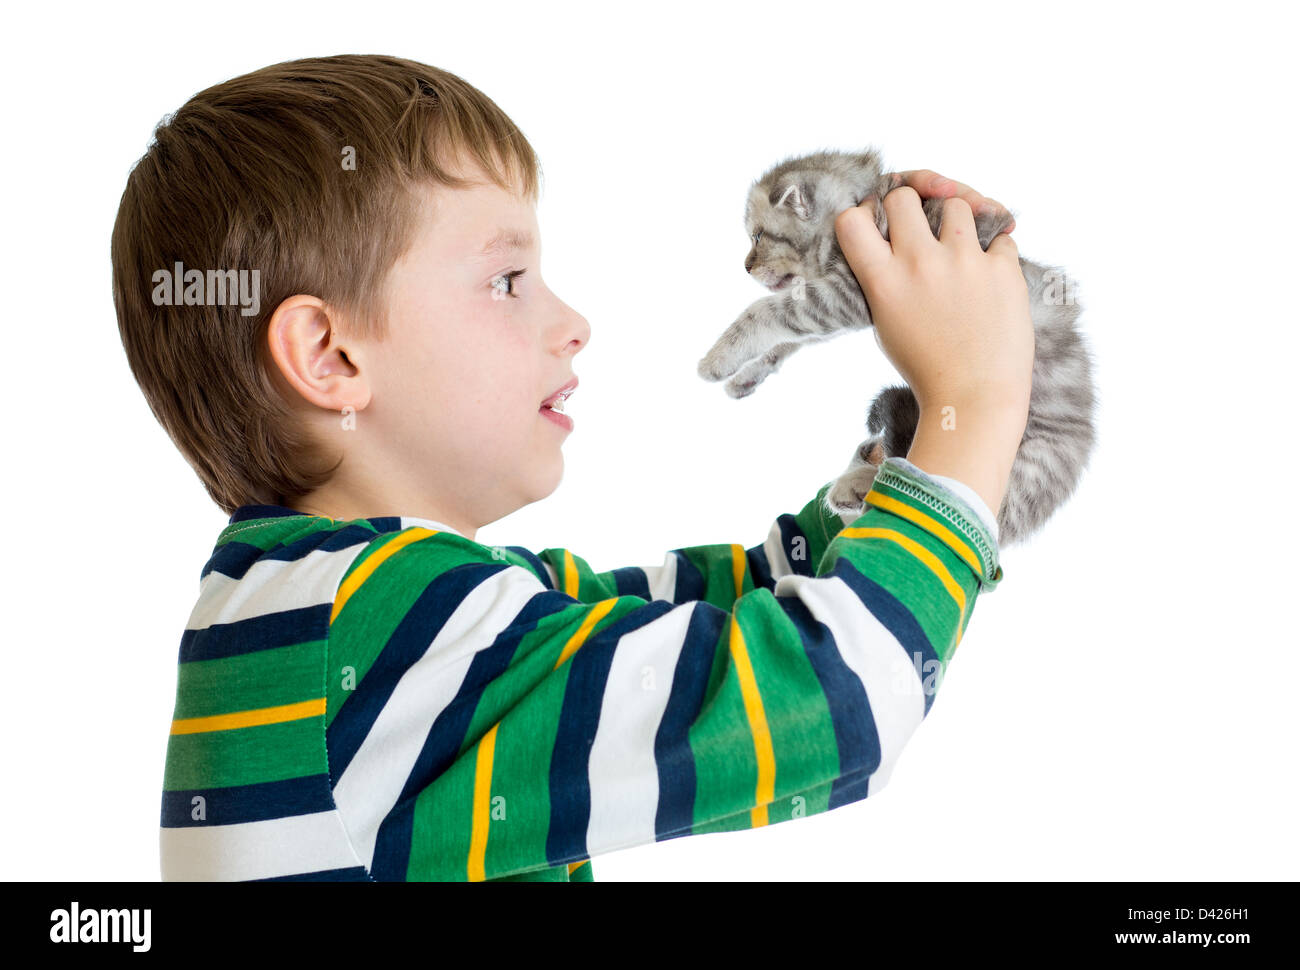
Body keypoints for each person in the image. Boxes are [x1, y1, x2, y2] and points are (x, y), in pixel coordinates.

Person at [112, 55, 1032, 881]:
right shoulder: (385, 629)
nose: (573, 323)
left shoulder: (326, 607)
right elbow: (835, 700)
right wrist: (975, 400)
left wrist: (916, 448)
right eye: (507, 280)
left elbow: (723, 606)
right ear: (331, 356)